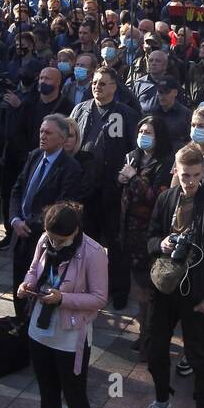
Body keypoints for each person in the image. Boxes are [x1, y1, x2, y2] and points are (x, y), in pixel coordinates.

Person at [130, 144, 204, 408]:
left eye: (195, 175)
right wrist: (160, 244)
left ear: (202, 173)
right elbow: (149, 236)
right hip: (164, 291)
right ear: (175, 171)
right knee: (154, 349)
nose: (189, 181)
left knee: (199, 357)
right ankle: (162, 404)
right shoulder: (166, 199)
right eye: (184, 174)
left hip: (197, 295)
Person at [17, 201, 107, 408]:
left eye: (60, 240)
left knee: (75, 397)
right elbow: (34, 268)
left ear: (76, 230)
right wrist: (27, 283)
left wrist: (62, 298)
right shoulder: (44, 240)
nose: (54, 244)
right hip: (40, 330)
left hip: (70, 336)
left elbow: (99, 298)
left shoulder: (94, 252)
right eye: (51, 238)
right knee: (47, 395)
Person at [70, 66, 138, 308]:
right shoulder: (80, 108)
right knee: (86, 239)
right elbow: (71, 139)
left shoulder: (127, 114)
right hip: (85, 187)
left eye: (103, 83)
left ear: (114, 87)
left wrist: (128, 172)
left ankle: (119, 290)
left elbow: (135, 148)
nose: (97, 86)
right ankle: (87, 283)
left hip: (113, 188)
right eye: (95, 82)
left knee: (116, 242)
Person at [8, 115, 85, 319]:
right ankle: (19, 326)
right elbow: (17, 189)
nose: (42, 136)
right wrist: (15, 219)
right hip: (20, 234)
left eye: (48, 133)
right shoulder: (34, 155)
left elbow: (60, 206)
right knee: (19, 286)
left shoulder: (70, 168)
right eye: (41, 131)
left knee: (36, 289)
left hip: (43, 239)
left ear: (62, 139)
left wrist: (29, 224)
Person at [118, 116, 174, 354]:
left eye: (148, 131)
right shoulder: (133, 156)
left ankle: (153, 337)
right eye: (140, 130)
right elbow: (126, 188)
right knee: (139, 289)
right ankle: (143, 333)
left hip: (150, 232)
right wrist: (122, 180)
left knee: (151, 289)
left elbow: (158, 196)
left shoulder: (165, 163)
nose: (143, 135)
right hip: (129, 231)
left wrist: (133, 179)